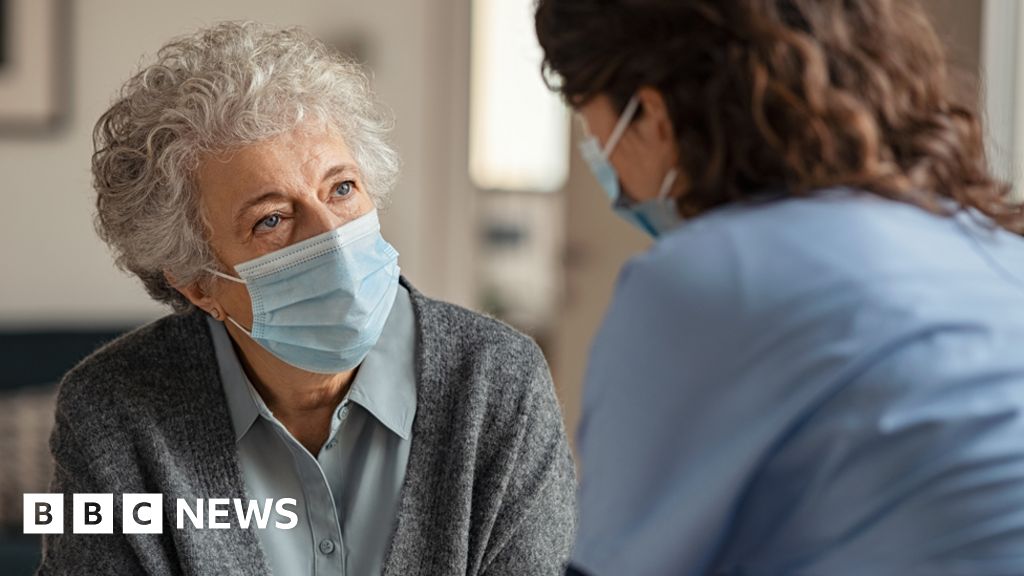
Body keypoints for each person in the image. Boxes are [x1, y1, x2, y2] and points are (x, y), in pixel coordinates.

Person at [37, 21, 575, 576]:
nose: (332, 237)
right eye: (271, 219)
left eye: (342, 188)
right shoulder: (111, 412)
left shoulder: (499, 383)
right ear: (197, 283)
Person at [535, 0, 1024, 574]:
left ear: (651, 114)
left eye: (590, 125)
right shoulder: (994, 247)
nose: (605, 163)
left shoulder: (706, 282)